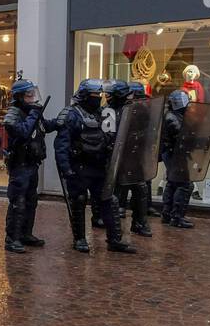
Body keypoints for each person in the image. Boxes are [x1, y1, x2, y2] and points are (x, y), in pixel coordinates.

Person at [54, 79, 135, 255]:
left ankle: (115, 240)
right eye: (94, 94)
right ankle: (79, 239)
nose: (98, 97)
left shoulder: (104, 114)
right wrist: (66, 168)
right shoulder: (71, 114)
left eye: (100, 94)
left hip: (99, 166)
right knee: (79, 201)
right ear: (84, 95)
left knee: (109, 200)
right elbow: (61, 144)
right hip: (79, 166)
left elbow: (111, 139)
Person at [2, 78, 56, 251]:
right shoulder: (13, 114)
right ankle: (12, 238)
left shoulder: (33, 112)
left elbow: (44, 126)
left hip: (32, 163)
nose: (33, 98)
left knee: (31, 200)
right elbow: (23, 131)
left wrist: (60, 122)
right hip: (20, 165)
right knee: (18, 202)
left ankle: (26, 234)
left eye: (34, 94)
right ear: (19, 97)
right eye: (29, 95)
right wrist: (34, 114)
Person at [108, 81, 154, 238]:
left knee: (140, 188)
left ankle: (139, 222)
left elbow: (145, 130)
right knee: (115, 191)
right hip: (116, 156)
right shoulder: (109, 111)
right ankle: (114, 228)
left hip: (133, 155)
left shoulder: (136, 110)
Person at [160, 90, 194, 228]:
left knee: (173, 183)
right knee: (184, 184)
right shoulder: (172, 118)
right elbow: (182, 135)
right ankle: (177, 217)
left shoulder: (174, 115)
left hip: (173, 154)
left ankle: (167, 214)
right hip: (174, 154)